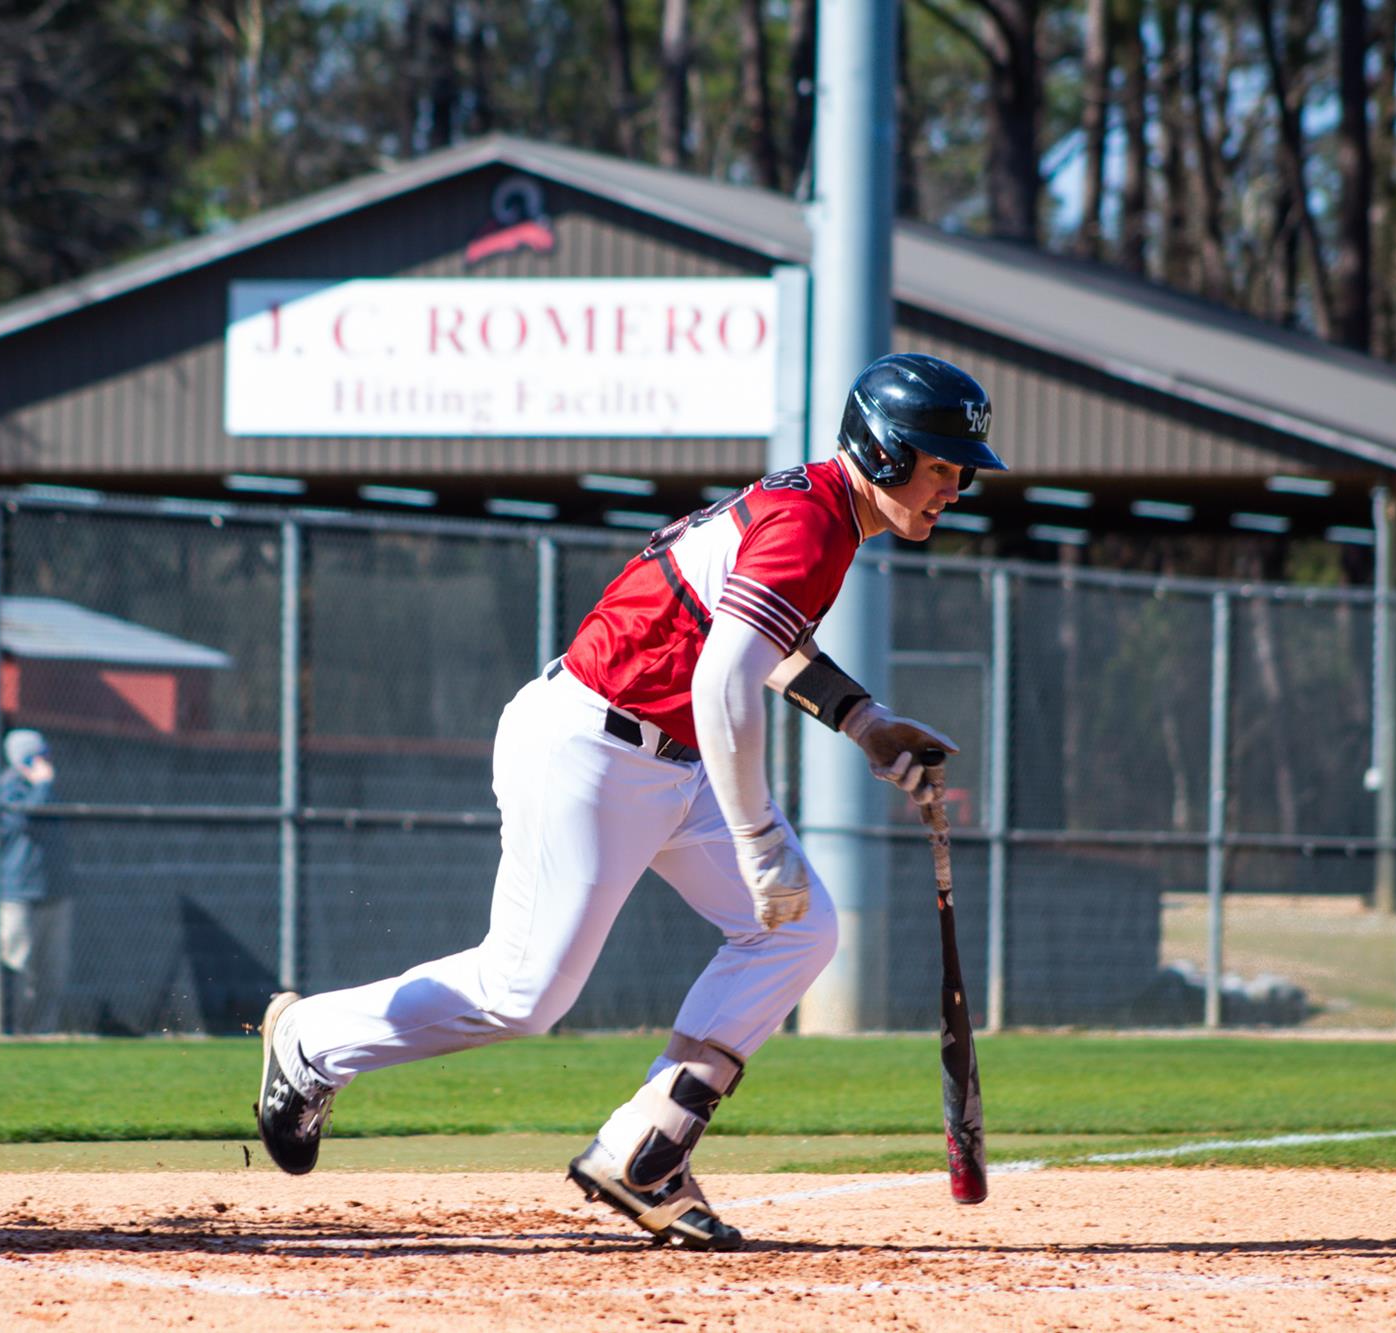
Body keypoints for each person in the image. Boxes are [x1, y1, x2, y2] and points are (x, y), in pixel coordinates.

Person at [253, 353, 1005, 1251]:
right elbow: (727, 677)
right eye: (939, 467)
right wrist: (759, 835)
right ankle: (310, 1042)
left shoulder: (819, 512)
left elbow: (758, 643)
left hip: (668, 761)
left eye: (958, 472)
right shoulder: (809, 521)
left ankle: (647, 1148)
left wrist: (864, 719)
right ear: (882, 453)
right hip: (590, 747)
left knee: (800, 930)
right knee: (524, 993)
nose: (952, 489)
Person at [0, 728, 71, 1035]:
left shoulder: (48, 788)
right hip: (20, 895)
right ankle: (16, 1032)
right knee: (20, 969)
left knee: (53, 972)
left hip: (55, 893)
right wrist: (41, 785)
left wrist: (44, 786)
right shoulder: (8, 788)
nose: (46, 761)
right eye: (39, 755)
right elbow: (23, 819)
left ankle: (46, 1031)